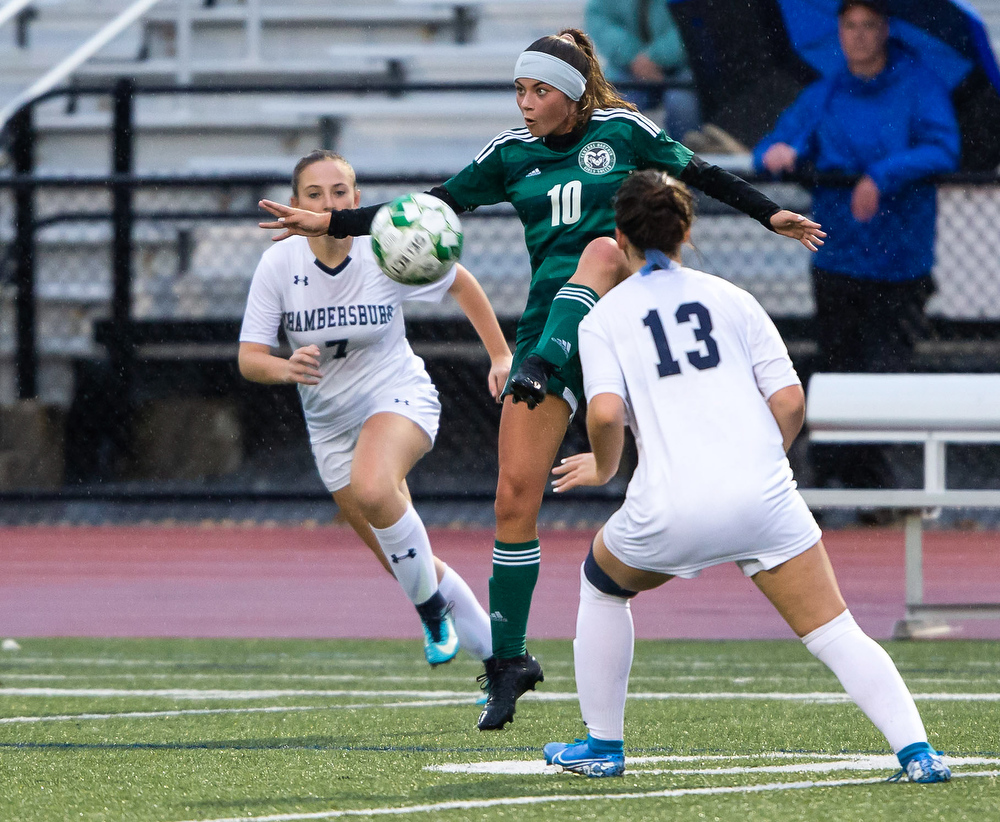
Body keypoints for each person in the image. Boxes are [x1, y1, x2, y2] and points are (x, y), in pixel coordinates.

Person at [258, 29, 825, 732]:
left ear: (574, 93)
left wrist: (769, 212)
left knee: (601, 256)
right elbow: (435, 205)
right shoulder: (509, 155)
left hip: (624, 325)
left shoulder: (619, 132)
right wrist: (335, 219)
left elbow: (698, 170)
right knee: (513, 498)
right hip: (545, 337)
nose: (525, 104)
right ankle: (509, 661)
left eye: (539, 91)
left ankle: (755, 537)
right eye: (519, 91)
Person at [541, 169, 951, 784]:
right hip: (765, 501)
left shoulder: (605, 316)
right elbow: (789, 403)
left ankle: (603, 746)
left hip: (672, 509)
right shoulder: (733, 297)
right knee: (836, 631)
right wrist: (759, 462)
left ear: (618, 235)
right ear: (686, 230)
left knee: (602, 584)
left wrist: (603, 467)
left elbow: (603, 412)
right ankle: (919, 754)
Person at [240, 150, 510, 669]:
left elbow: (461, 283)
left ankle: (431, 614)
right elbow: (250, 358)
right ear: (295, 205)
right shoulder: (280, 262)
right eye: (314, 194)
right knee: (405, 560)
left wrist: (501, 354)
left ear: (356, 200)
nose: (328, 202)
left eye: (339, 192)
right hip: (330, 428)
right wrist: (284, 367)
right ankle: (502, 661)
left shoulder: (383, 248)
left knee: (372, 488)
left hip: (397, 396)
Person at [753, 0, 960, 493]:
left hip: (900, 262)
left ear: (885, 31)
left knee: (884, 369)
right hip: (837, 255)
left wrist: (880, 176)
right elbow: (773, 146)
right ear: (839, 32)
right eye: (850, 25)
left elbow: (943, 147)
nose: (860, 35)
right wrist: (778, 153)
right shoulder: (824, 93)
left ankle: (867, 477)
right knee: (838, 362)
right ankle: (838, 473)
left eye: (870, 25)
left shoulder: (919, 86)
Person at [584, 0, 701, 140]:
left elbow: (691, 27)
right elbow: (600, 22)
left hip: (680, 68)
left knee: (682, 104)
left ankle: (688, 155)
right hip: (626, 69)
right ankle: (617, 155)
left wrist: (653, 58)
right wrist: (634, 58)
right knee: (614, 106)